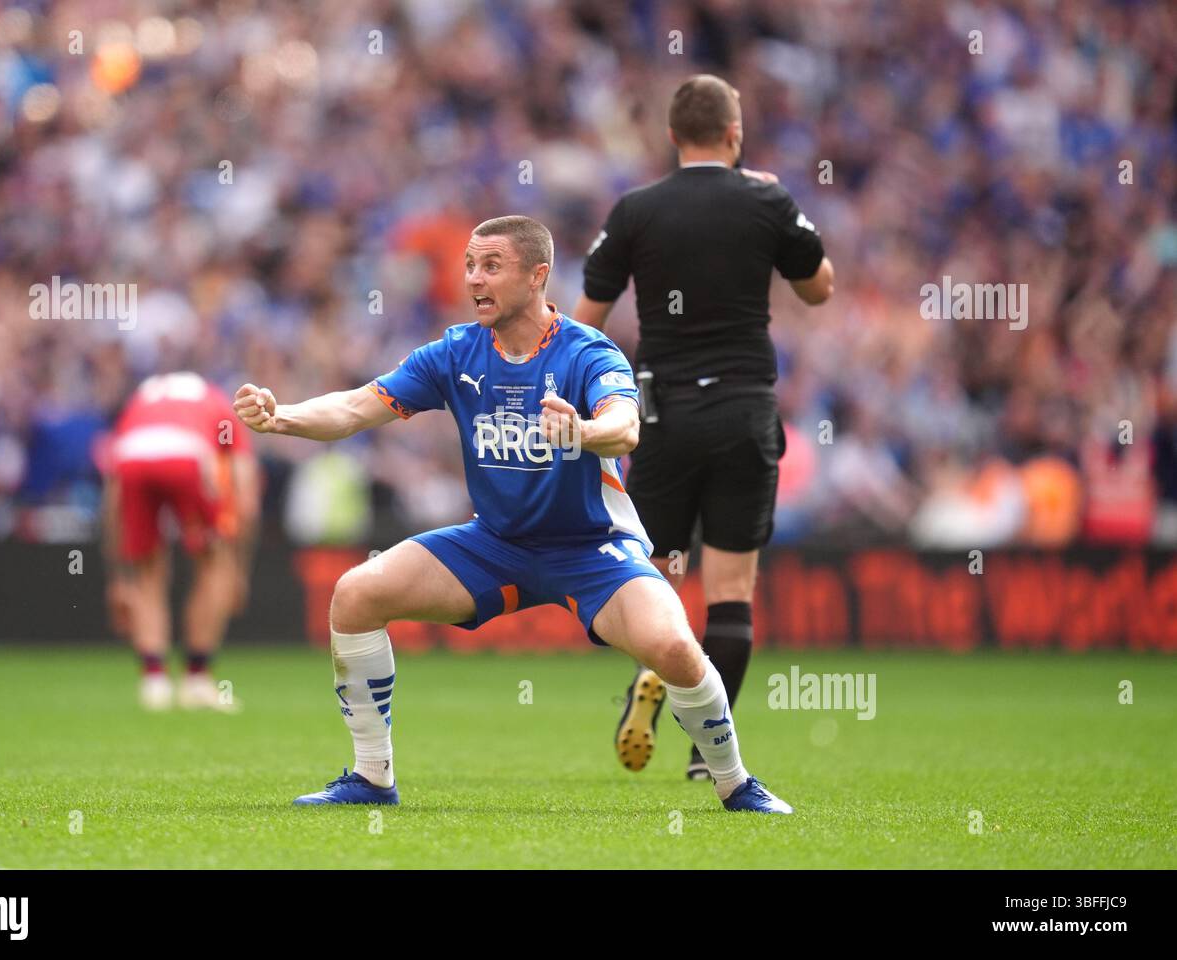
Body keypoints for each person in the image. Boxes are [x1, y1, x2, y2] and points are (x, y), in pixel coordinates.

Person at [233, 215, 792, 812]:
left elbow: (624, 427)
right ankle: (372, 777)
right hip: (495, 544)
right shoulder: (454, 351)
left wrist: (581, 429)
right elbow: (353, 408)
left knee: (675, 649)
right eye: (471, 265)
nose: (474, 277)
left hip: (592, 549)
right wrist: (282, 416)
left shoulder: (587, 351)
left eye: (491, 266)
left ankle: (736, 783)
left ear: (537, 276)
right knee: (355, 594)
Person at [574, 75, 834, 779]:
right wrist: (778, 210)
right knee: (731, 589)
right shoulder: (768, 199)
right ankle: (704, 754)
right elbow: (820, 286)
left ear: (670, 137)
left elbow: (585, 320)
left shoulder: (637, 210)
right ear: (734, 133)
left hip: (663, 413)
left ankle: (650, 680)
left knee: (651, 581)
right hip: (745, 409)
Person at [103, 371, 260, 711]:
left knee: (147, 572)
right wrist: (239, 570)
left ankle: (154, 681)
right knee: (213, 563)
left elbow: (111, 500)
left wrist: (117, 577)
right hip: (188, 456)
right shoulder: (218, 401)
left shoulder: (140, 400)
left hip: (131, 459)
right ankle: (196, 677)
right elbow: (246, 496)